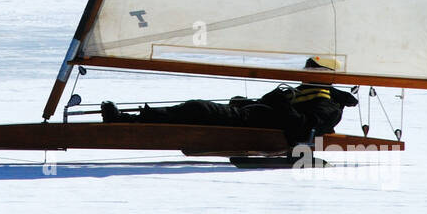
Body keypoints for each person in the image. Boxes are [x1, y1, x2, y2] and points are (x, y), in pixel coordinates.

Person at [99, 57, 357, 145]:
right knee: (195, 108)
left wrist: (279, 104)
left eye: (311, 70)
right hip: (251, 118)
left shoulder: (328, 105)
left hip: (258, 128)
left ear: (325, 77)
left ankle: (124, 123)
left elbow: (303, 128)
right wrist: (246, 102)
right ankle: (129, 121)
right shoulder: (300, 92)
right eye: (306, 68)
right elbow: (270, 102)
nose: (304, 73)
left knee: (197, 108)